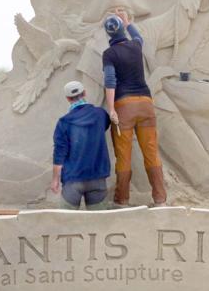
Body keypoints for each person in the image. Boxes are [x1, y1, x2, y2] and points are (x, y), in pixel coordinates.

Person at [102, 13, 166, 206]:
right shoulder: (136, 46)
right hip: (145, 104)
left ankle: (122, 200)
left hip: (124, 106)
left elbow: (110, 81)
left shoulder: (109, 54)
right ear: (122, 30)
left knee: (124, 155)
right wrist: (128, 23)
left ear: (108, 34)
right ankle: (160, 199)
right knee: (151, 151)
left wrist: (111, 109)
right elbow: (139, 37)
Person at [50, 80, 112, 210]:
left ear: (68, 98)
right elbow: (105, 126)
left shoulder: (64, 122)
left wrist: (55, 180)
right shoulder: (100, 114)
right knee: (99, 219)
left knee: (68, 220)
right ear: (84, 93)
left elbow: (59, 155)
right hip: (97, 178)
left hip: (73, 180)